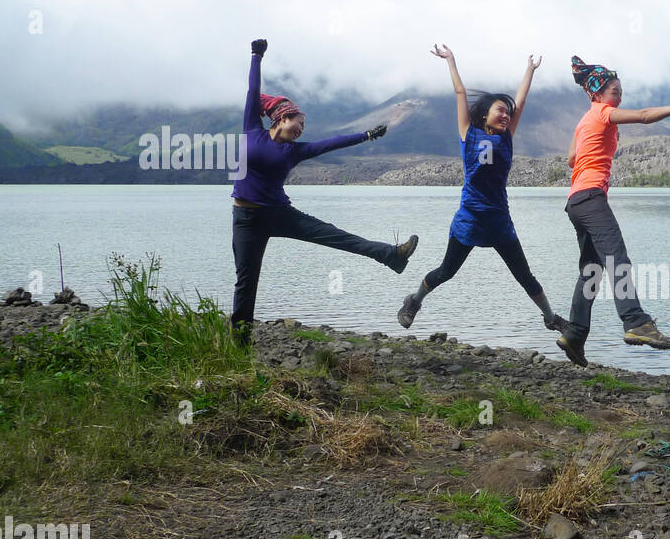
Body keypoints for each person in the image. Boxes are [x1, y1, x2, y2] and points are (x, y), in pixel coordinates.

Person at [231, 38, 417, 344]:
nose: (302, 129)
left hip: (279, 214)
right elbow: (253, 92)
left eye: (303, 126)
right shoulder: (251, 129)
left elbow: (332, 142)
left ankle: (391, 255)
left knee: (334, 235)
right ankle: (239, 342)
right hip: (245, 219)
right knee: (246, 281)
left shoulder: (296, 150)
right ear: (282, 117)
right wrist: (256, 56)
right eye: (298, 122)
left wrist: (366, 135)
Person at [396, 45, 567, 334]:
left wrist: (530, 70)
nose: (506, 116)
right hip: (470, 219)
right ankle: (414, 301)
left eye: (508, 114)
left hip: (499, 220)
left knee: (524, 275)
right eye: (500, 110)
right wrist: (451, 60)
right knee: (446, 272)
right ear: (485, 115)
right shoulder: (468, 134)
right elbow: (461, 93)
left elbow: (520, 102)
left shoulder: (507, 138)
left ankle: (551, 318)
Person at [554, 56, 670, 367]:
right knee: (617, 258)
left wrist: (590, 146)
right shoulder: (604, 114)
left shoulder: (585, 120)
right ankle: (635, 322)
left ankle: (575, 334)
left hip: (575, 202)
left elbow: (570, 158)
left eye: (620, 91)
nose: (618, 96)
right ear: (598, 94)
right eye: (613, 91)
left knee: (591, 270)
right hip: (592, 198)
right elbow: (645, 116)